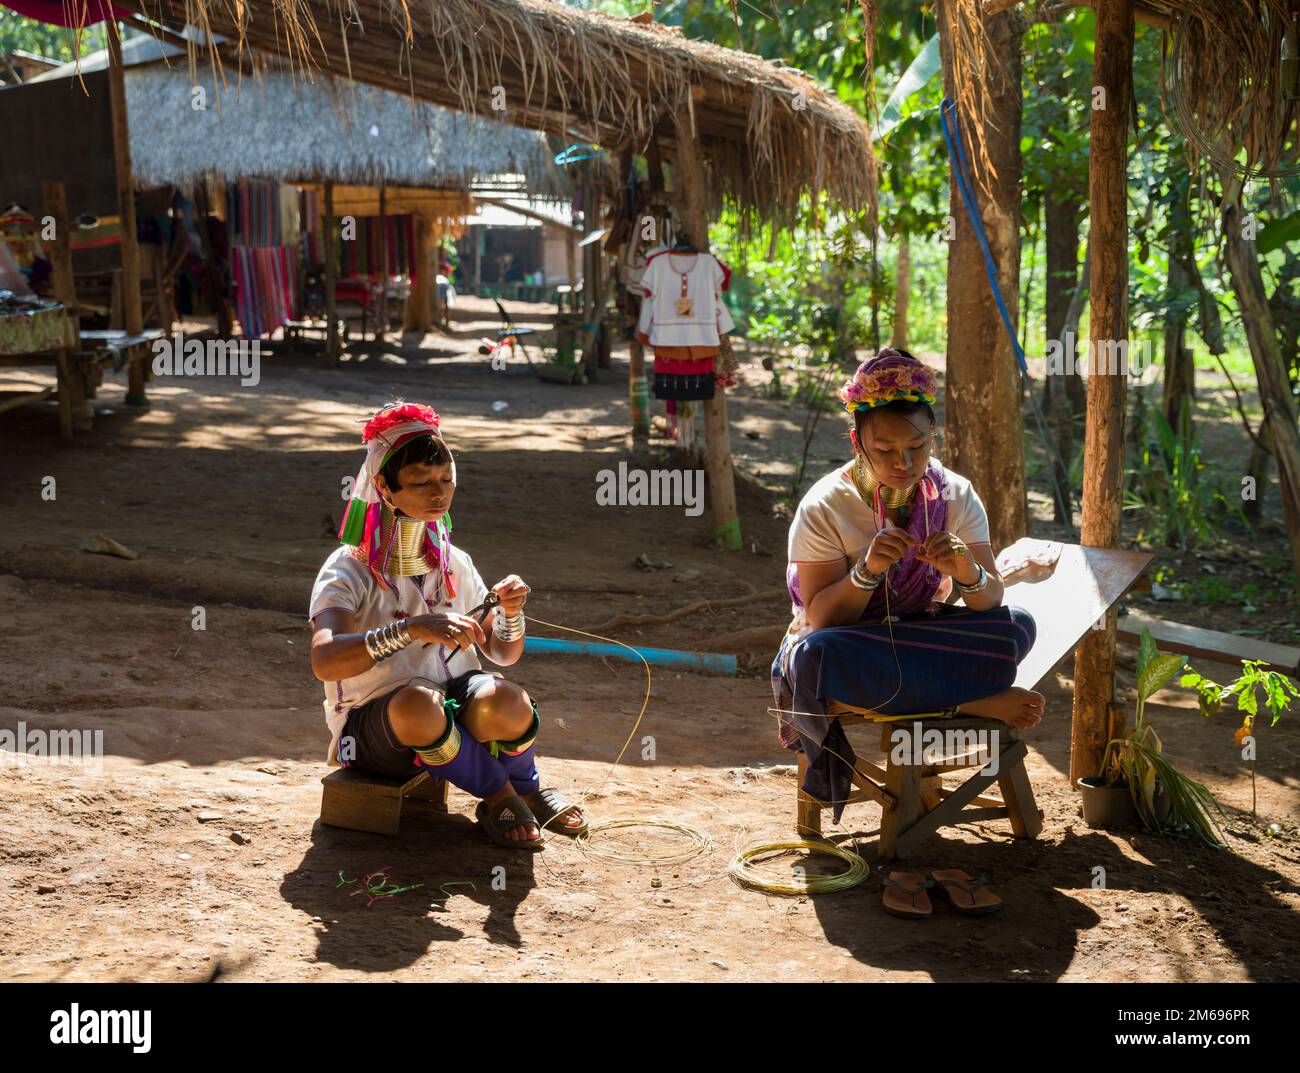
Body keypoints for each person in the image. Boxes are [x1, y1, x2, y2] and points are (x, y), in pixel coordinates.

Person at [771, 349, 1043, 819]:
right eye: (885, 450)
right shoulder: (825, 505)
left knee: (1016, 624)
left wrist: (966, 572)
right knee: (816, 657)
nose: (904, 462)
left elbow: (991, 597)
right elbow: (820, 618)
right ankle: (968, 699)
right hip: (850, 642)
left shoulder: (955, 493)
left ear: (933, 437)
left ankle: (948, 693)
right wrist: (866, 572)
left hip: (918, 634)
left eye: (917, 447)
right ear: (858, 442)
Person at [309, 401, 586, 850]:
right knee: (418, 703)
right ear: (384, 486)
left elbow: (501, 654)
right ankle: (502, 792)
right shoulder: (347, 568)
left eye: (446, 481)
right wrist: (412, 629)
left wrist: (511, 612)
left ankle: (528, 786)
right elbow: (324, 660)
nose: (438, 495)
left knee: (511, 701)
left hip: (451, 704)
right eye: (420, 483)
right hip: (378, 730)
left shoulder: (454, 561)